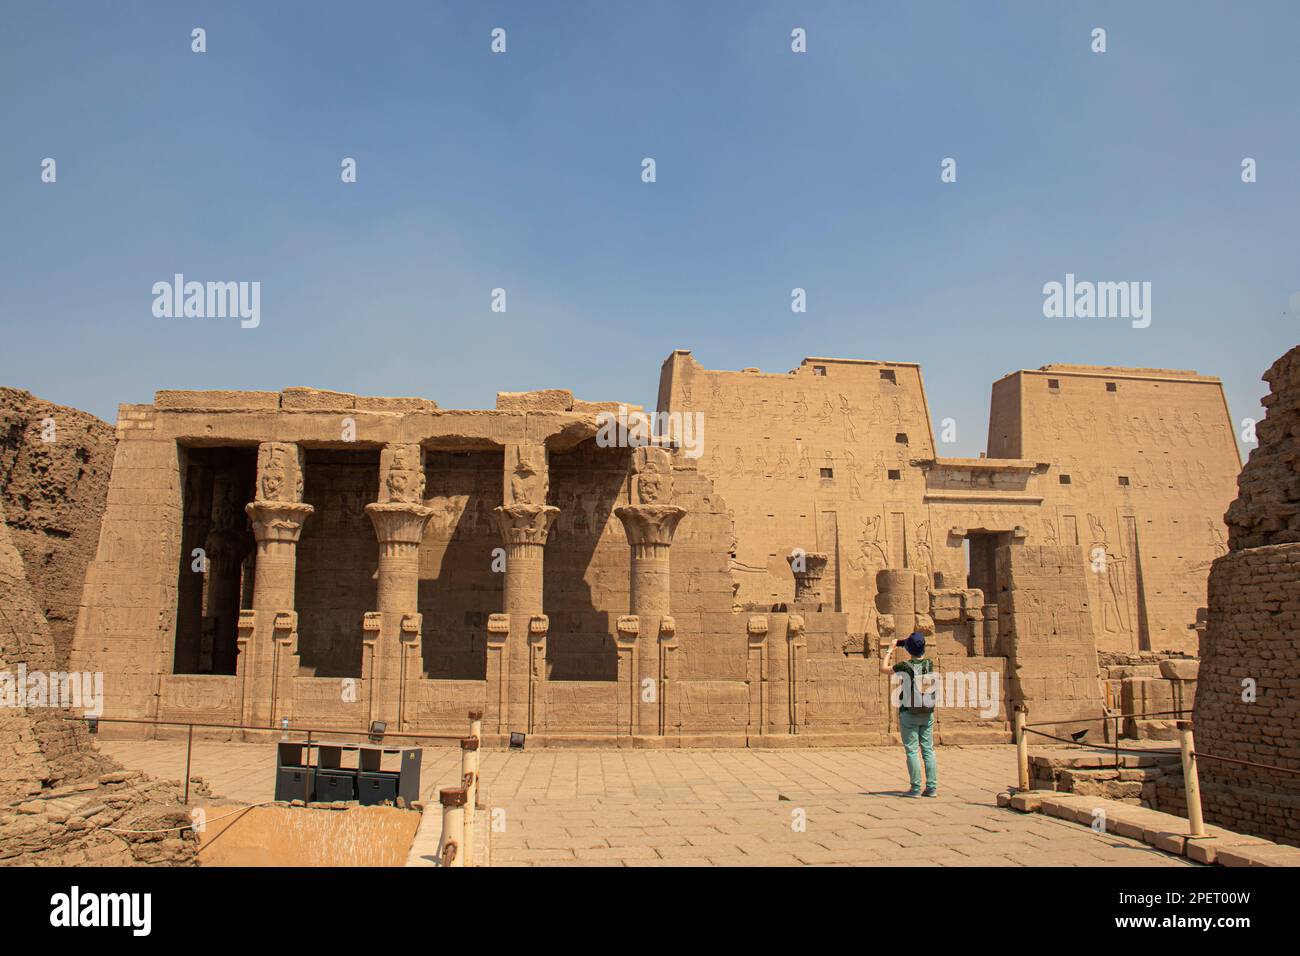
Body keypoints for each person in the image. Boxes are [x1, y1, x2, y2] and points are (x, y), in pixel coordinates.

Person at [880, 630, 937, 797]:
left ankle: (915, 788)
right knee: (928, 749)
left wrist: (891, 649)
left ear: (909, 649)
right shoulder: (929, 664)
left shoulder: (904, 666)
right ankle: (932, 787)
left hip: (908, 712)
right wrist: (907, 644)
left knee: (912, 750)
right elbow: (917, 651)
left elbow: (883, 668)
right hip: (927, 711)